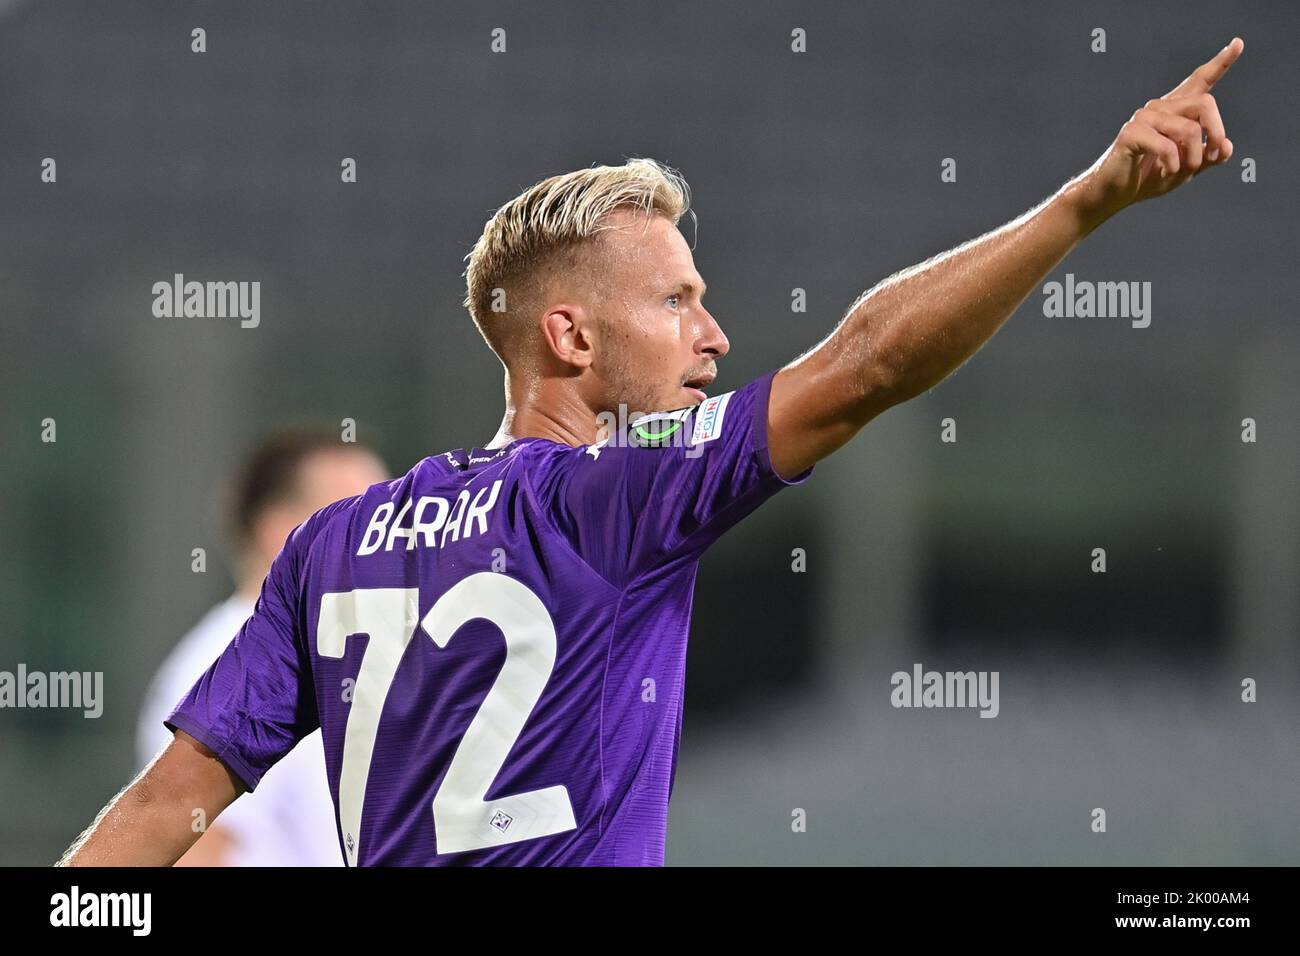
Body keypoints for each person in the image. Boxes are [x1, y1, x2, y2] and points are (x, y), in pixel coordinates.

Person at [59, 38, 1243, 866]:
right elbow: (869, 361)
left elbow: (166, 804)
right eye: (676, 300)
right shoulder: (615, 499)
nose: (715, 335)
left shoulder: (336, 544)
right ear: (569, 334)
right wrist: (1084, 203)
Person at [135, 429, 387, 865]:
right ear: (284, 534)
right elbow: (198, 853)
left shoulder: (342, 648)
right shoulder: (220, 664)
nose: (385, 537)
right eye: (358, 519)